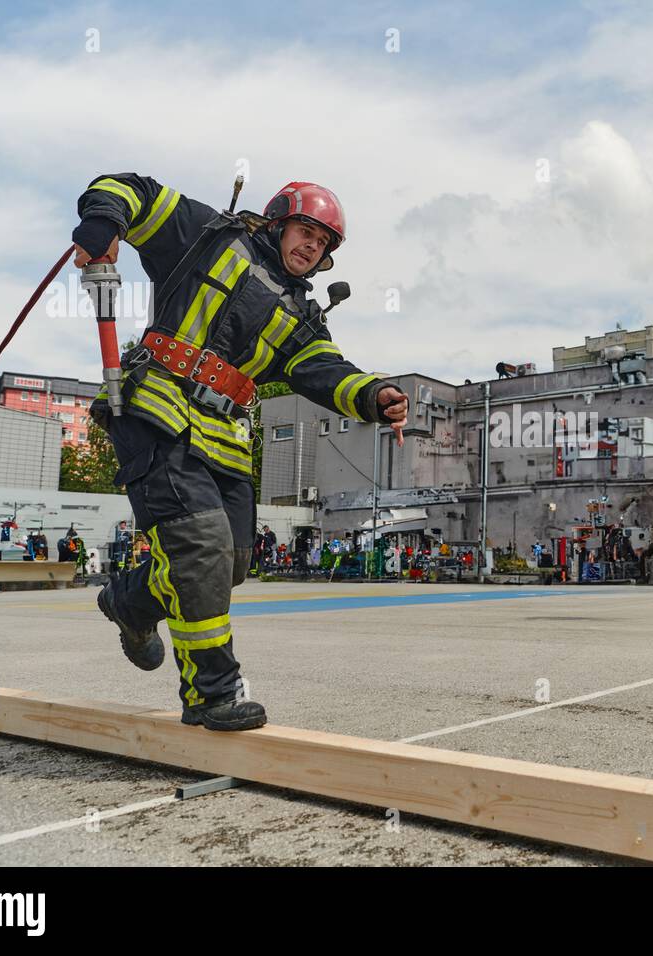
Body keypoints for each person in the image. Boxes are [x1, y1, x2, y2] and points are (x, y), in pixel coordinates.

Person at [75, 173, 408, 731]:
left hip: (224, 441)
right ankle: (212, 694)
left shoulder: (302, 317)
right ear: (277, 222)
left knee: (229, 566)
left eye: (324, 243)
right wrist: (104, 222)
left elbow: (327, 372)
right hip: (160, 415)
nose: (312, 247)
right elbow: (129, 187)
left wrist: (375, 395)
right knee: (201, 553)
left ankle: (130, 601)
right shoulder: (209, 235)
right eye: (306, 231)